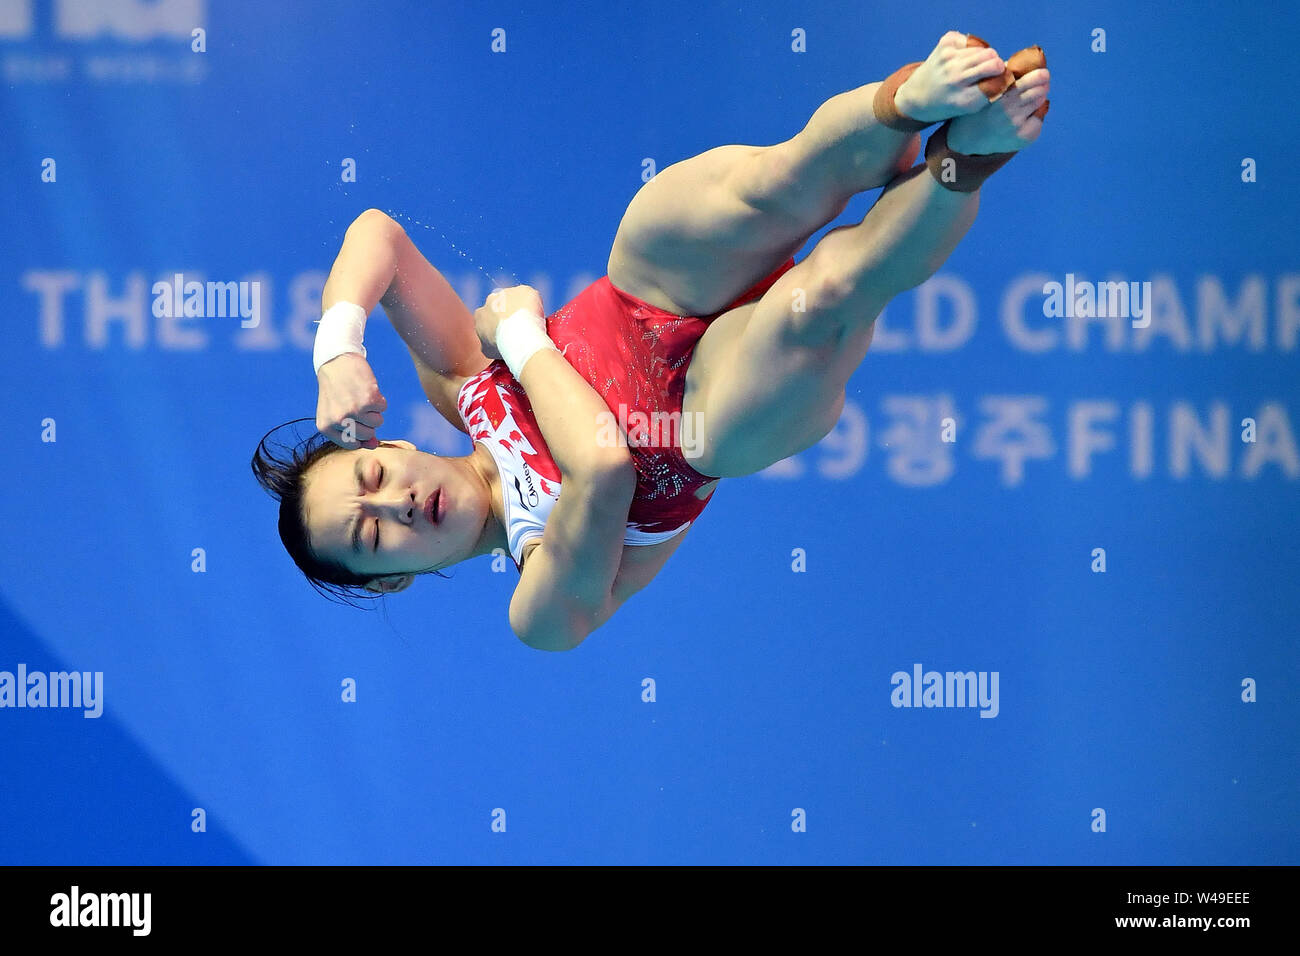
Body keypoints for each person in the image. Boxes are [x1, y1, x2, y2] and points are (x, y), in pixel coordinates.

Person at [252, 31, 1051, 651]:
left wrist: (340, 347)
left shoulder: (458, 383)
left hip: (651, 290)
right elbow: (601, 468)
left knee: (777, 185)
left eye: (372, 475)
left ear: (388, 445)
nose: (395, 503)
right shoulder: (541, 611)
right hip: (706, 418)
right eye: (372, 535)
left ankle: (910, 99)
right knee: (827, 294)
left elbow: (377, 236)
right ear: (391, 580)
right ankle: (967, 160)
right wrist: (523, 337)